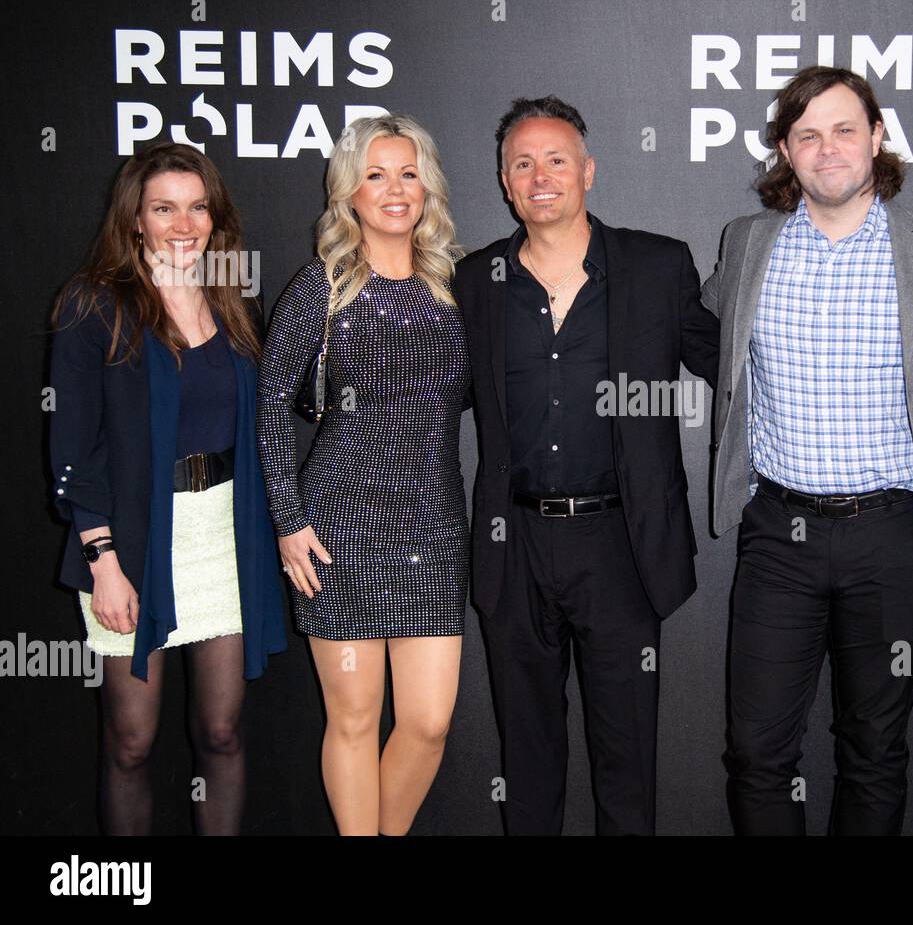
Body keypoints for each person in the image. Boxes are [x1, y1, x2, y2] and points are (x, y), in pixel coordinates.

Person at [702, 66, 913, 835]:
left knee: (874, 748)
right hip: (779, 535)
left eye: (843, 129)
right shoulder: (746, 245)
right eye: (806, 134)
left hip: (896, 537)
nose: (826, 148)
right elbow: (705, 339)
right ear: (784, 151)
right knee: (758, 752)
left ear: (875, 137)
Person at [453, 95, 719, 835]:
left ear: (589, 171)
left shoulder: (657, 266)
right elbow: (429, 393)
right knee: (527, 757)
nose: (541, 176)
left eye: (557, 159)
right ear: (505, 182)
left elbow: (735, 364)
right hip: (515, 547)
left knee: (626, 758)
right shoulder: (476, 281)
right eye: (523, 163)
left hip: (623, 546)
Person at [48, 142, 286, 835]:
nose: (183, 223)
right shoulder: (93, 302)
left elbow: (266, 414)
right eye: (163, 208)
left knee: (221, 733)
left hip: (222, 536)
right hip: (131, 541)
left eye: (196, 207)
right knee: (131, 742)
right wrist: (104, 559)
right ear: (135, 221)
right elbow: (71, 444)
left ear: (215, 217)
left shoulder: (233, 294)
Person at [256, 114, 468, 836]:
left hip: (434, 531)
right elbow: (270, 409)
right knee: (351, 721)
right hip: (338, 530)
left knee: (429, 724)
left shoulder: (455, 291)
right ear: (349, 192)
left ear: (427, 186)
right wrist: (288, 520)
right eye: (375, 175)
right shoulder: (322, 288)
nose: (394, 189)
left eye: (408, 173)